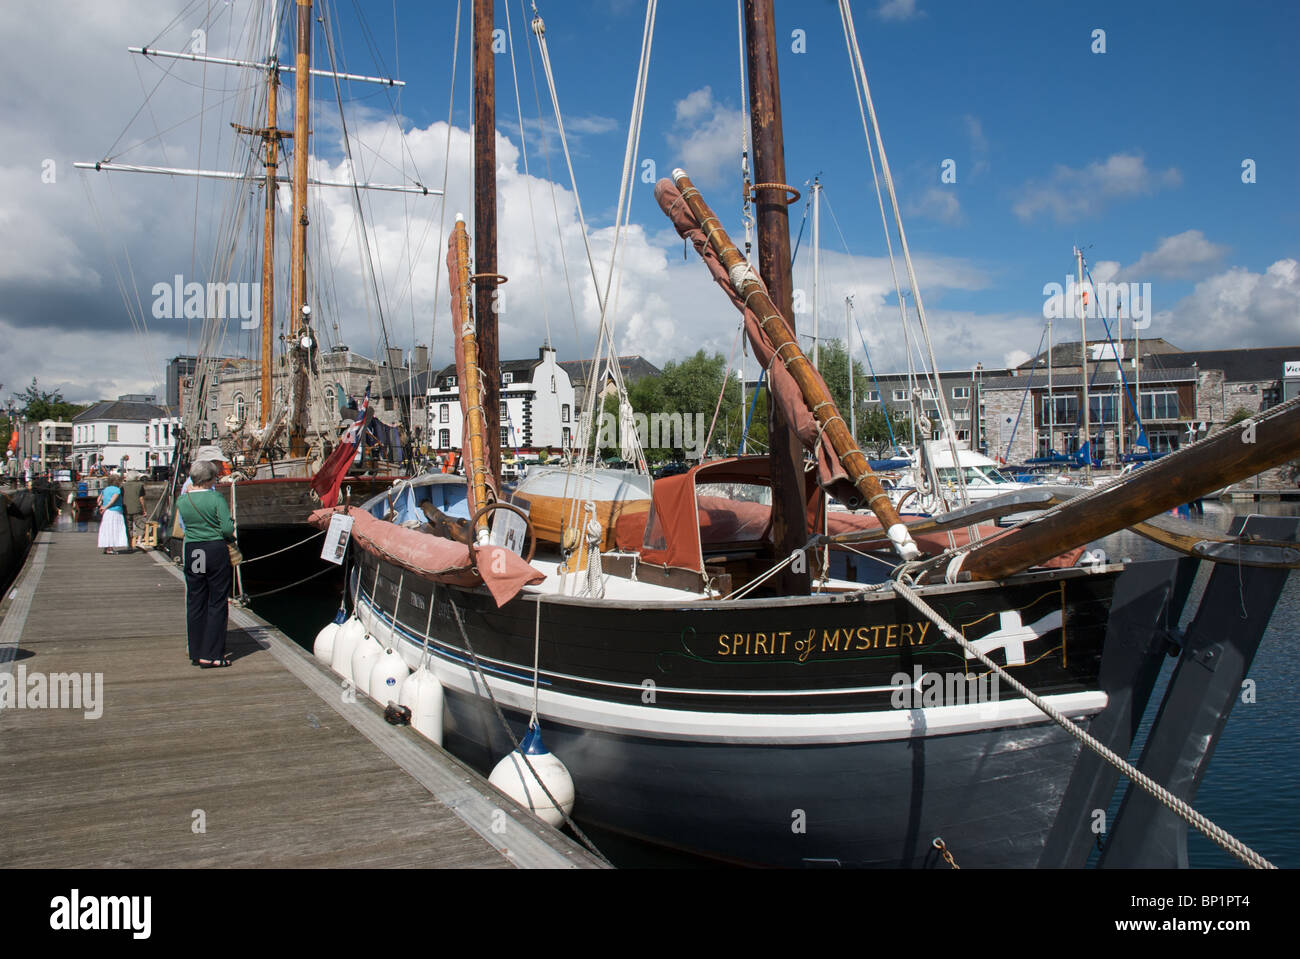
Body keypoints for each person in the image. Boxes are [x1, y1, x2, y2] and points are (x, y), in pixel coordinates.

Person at [177, 460, 235, 668]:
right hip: (214, 549)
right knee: (217, 601)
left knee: (195, 600)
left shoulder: (182, 501)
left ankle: (196, 650)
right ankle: (212, 654)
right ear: (210, 478)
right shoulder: (215, 498)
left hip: (195, 550)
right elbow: (227, 529)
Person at [96, 473, 129, 554]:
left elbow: (98, 500)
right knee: (114, 529)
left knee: (107, 529)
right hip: (115, 511)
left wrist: (102, 506)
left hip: (107, 513)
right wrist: (105, 507)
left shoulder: (105, 489)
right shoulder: (117, 490)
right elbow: (113, 501)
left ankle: (107, 547)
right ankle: (110, 549)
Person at [122, 470, 146, 547]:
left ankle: (129, 544)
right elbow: (141, 498)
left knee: (128, 527)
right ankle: (139, 541)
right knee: (140, 524)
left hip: (126, 508)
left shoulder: (123, 486)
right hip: (137, 508)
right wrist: (144, 510)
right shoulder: (140, 485)